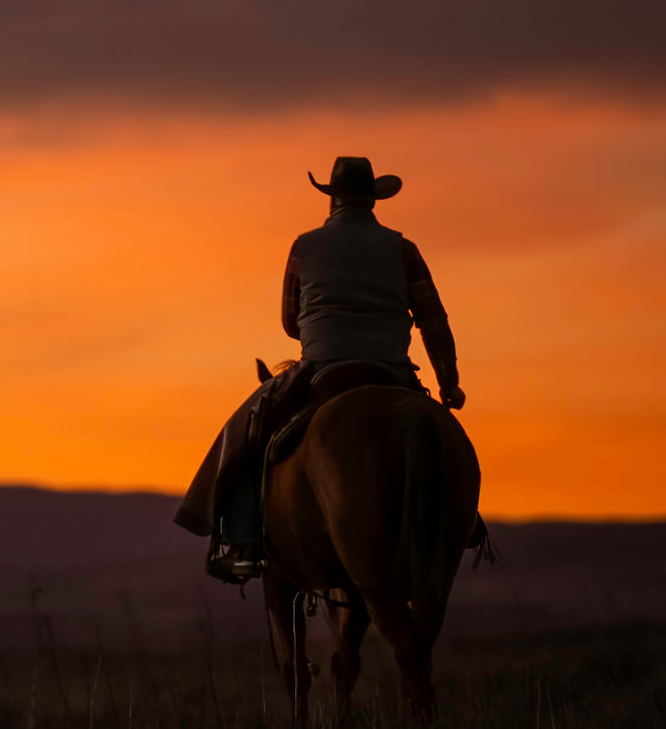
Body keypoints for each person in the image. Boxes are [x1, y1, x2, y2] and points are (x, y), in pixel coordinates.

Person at [176, 157, 465, 582]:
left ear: (332, 199)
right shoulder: (403, 249)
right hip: (393, 368)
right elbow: (433, 320)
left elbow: (291, 322)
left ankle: (242, 544)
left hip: (322, 365)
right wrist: (449, 383)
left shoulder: (304, 247)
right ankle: (464, 518)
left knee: (250, 429)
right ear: (373, 200)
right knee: (438, 434)